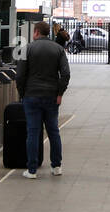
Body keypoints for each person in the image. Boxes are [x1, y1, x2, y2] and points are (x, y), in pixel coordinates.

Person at [17, 20, 70, 178]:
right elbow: (66, 74)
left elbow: (20, 76)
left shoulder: (27, 49)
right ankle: (56, 167)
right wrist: (60, 93)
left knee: (33, 133)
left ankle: (32, 170)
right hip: (51, 97)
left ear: (36, 32)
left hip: (31, 96)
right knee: (53, 132)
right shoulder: (59, 49)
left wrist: (22, 93)